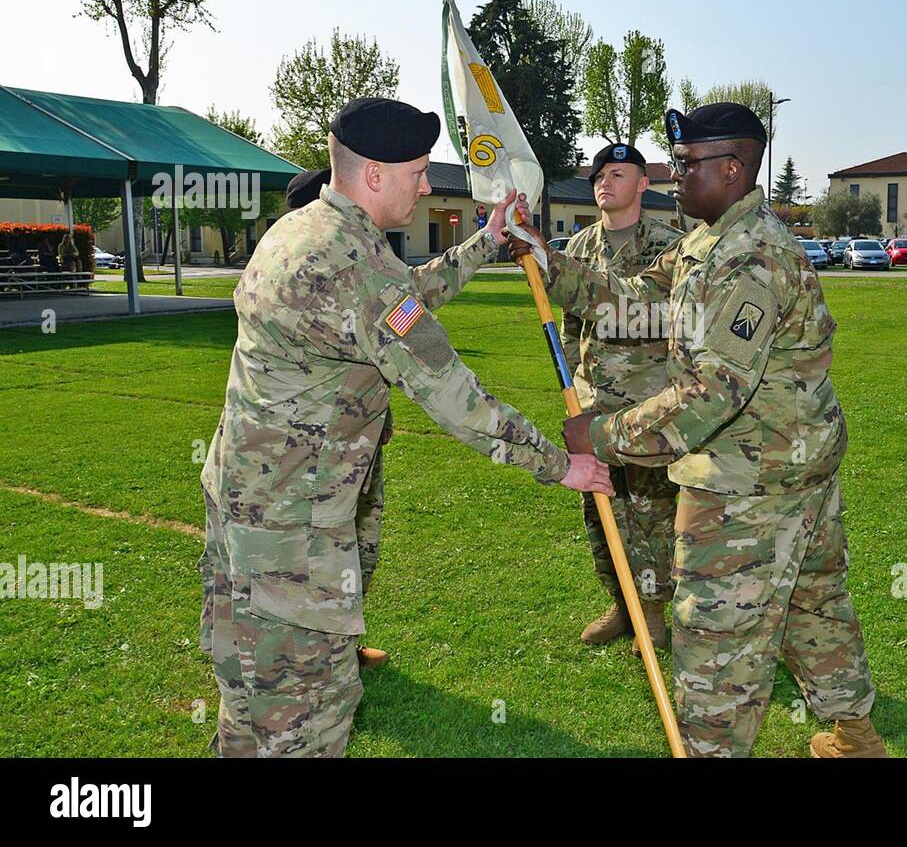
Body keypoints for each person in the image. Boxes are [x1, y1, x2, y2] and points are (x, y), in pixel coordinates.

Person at [200, 97, 614, 757]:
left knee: (249, 711)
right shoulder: (356, 266)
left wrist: (486, 242)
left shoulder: (303, 233)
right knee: (307, 723)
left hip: (244, 518)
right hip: (293, 544)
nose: (426, 185)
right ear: (373, 176)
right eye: (418, 172)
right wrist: (562, 465)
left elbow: (401, 297)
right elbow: (456, 396)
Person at [511, 103, 885, 758]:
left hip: (748, 484)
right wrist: (545, 257)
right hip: (795, 466)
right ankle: (854, 736)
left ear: (733, 168)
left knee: (716, 642)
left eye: (685, 165)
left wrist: (599, 435)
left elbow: (711, 395)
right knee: (813, 603)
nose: (673, 176)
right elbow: (629, 300)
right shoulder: (707, 241)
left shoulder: (752, 257)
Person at [561, 144, 682, 655]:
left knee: (651, 514)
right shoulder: (581, 247)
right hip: (593, 406)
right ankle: (621, 602)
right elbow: (568, 321)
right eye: (598, 176)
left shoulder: (669, 247)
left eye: (617, 173)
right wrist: (574, 383)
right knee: (602, 509)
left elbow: (682, 326)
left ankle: (651, 613)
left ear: (642, 183)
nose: (603, 183)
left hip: (647, 409)